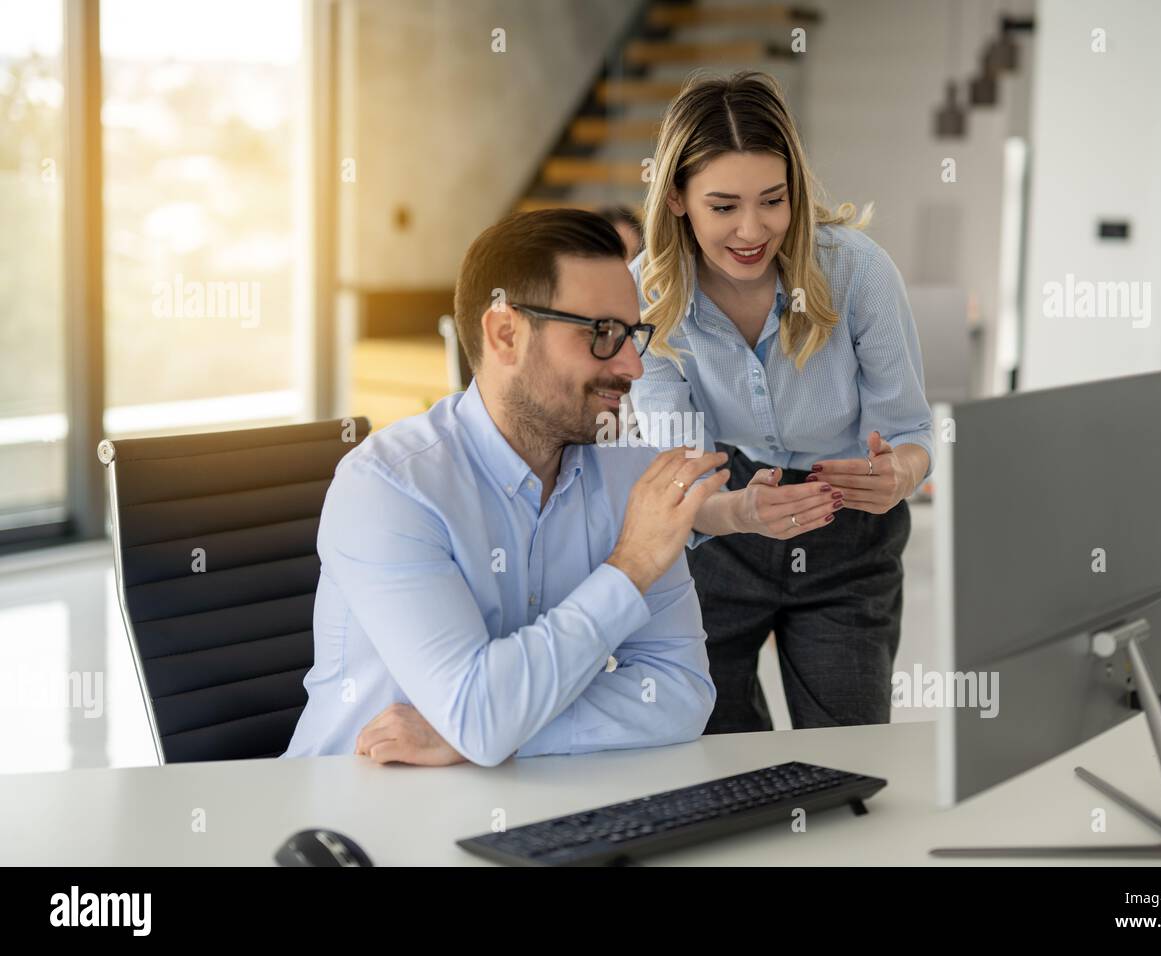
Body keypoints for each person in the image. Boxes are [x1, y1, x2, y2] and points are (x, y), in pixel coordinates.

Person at [284, 209, 730, 766]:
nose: (633, 367)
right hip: (357, 818)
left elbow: (681, 695)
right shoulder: (390, 486)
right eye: (602, 334)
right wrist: (631, 564)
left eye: (634, 335)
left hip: (529, 805)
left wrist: (476, 735)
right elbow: (479, 717)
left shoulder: (629, 475)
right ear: (505, 334)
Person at [629, 71, 934, 733]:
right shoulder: (647, 297)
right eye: (723, 205)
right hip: (720, 522)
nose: (752, 229)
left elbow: (912, 431)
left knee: (848, 759)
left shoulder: (858, 272)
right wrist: (737, 511)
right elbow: (680, 472)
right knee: (717, 752)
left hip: (848, 523)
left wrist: (898, 476)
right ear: (677, 197)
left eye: (773, 200)